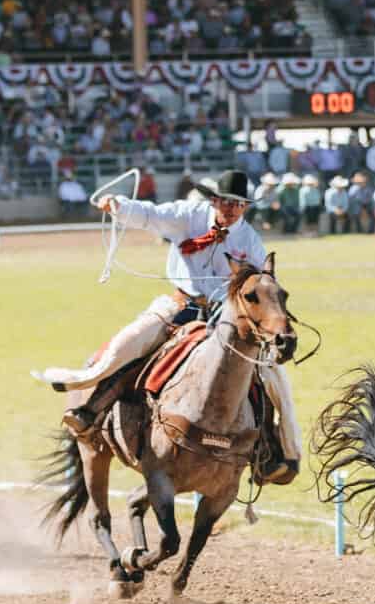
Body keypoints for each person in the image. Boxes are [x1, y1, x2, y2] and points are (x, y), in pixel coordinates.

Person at [34, 170, 300, 485]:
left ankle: (276, 451)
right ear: (214, 200)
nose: (231, 209)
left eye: (239, 204)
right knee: (128, 344)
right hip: (178, 306)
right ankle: (89, 410)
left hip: (225, 318)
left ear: (245, 207)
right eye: (226, 202)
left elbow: (260, 287)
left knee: (273, 378)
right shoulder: (186, 216)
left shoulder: (251, 241)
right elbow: (151, 215)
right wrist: (118, 205)